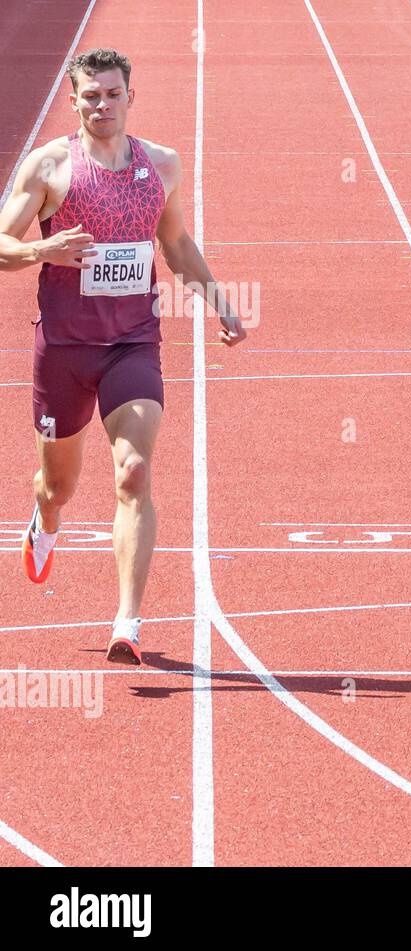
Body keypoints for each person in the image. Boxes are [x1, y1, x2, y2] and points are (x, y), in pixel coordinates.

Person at [0, 49, 247, 663]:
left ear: (130, 96)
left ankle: (127, 622)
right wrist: (41, 251)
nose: (102, 106)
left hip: (132, 344)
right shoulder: (50, 166)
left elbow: (176, 242)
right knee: (57, 485)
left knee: (134, 471)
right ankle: (46, 521)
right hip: (62, 349)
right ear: (75, 99)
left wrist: (220, 300)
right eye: (90, 96)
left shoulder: (160, 165)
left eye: (112, 94)